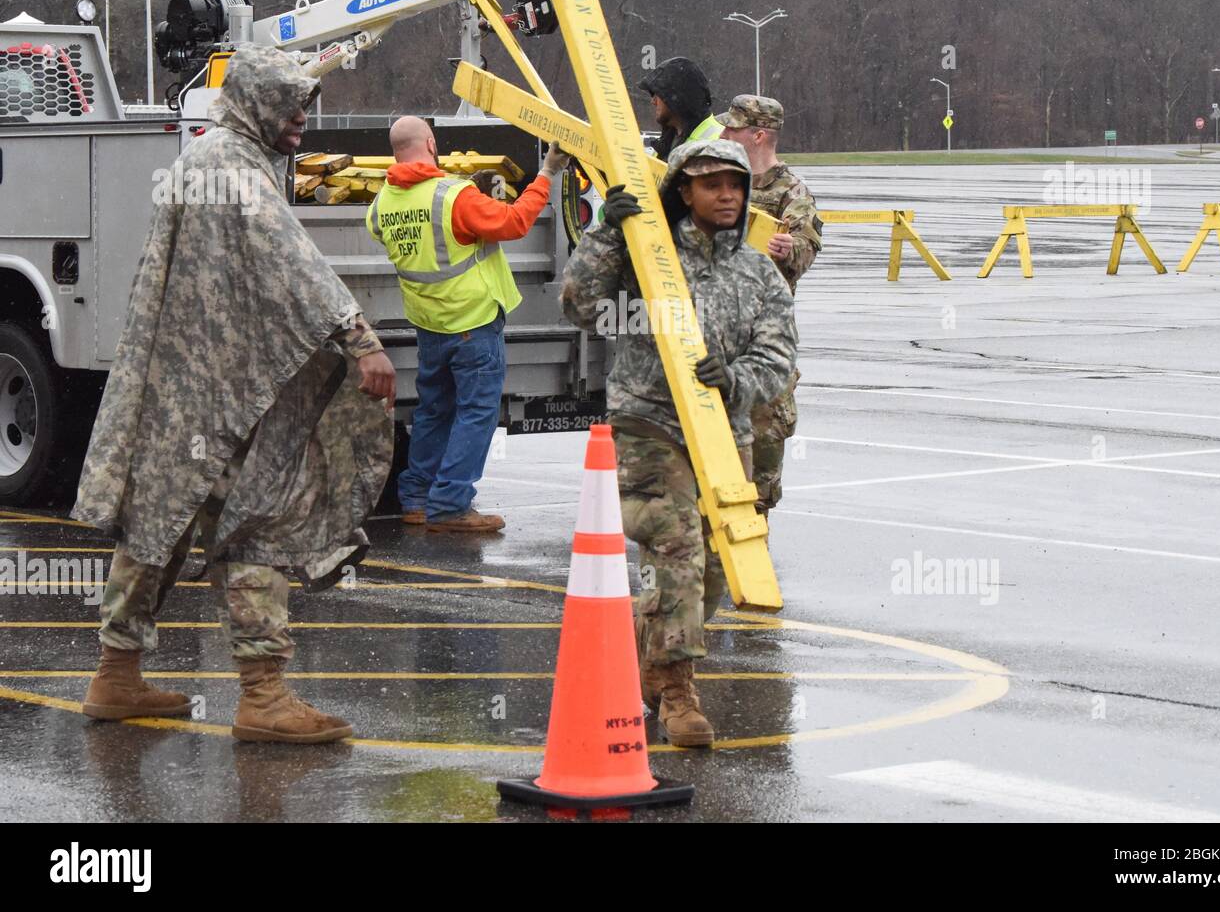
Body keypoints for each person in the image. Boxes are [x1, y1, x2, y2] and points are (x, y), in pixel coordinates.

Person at [75, 43, 397, 744]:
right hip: (227, 386)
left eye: (306, 107)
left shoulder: (207, 155)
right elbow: (291, 259)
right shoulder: (232, 165)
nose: (301, 122)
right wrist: (358, 337)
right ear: (256, 102)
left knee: (161, 516)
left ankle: (116, 671)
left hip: (187, 381)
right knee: (263, 517)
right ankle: (263, 693)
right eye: (291, 107)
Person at [561, 138, 796, 747]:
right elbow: (580, 306)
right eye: (712, 183)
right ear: (684, 190)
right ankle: (677, 693)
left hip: (722, 430)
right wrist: (606, 236)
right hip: (650, 424)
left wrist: (738, 378)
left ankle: (652, 661)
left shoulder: (757, 270)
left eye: (736, 185)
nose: (727, 195)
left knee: (718, 566)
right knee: (678, 552)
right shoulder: (647, 254)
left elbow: (778, 354)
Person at [370, 117, 569, 533]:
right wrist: (547, 172)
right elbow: (515, 222)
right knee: (476, 413)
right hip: (473, 322)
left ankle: (418, 499)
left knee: (434, 411)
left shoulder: (383, 202)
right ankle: (451, 503)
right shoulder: (452, 195)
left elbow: (400, 233)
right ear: (430, 143)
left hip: (429, 326)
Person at [719, 94, 822, 513]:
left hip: (764, 336)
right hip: (718, 332)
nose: (724, 134)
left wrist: (788, 248)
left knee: (763, 437)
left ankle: (755, 536)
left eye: (734, 128)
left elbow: (807, 246)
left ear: (758, 135)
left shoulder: (791, 191)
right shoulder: (723, 183)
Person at [638, 56, 723, 159]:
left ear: (675, 98)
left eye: (657, 94)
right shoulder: (666, 143)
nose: (653, 101)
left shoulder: (719, 145)